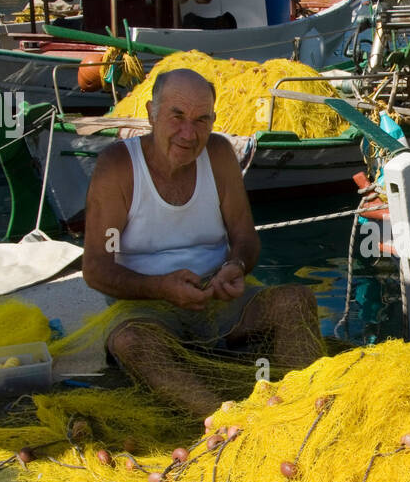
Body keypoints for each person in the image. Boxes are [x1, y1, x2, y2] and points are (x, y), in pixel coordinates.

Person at [82, 68, 321, 418]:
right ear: (151, 113)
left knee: (296, 301)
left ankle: (303, 411)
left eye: (201, 120)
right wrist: (161, 287)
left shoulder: (220, 155)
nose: (188, 133)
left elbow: (245, 239)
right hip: (145, 308)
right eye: (176, 116)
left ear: (213, 120)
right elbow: (97, 269)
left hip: (219, 298)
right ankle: (225, 423)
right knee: (133, 343)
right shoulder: (119, 166)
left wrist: (236, 266)